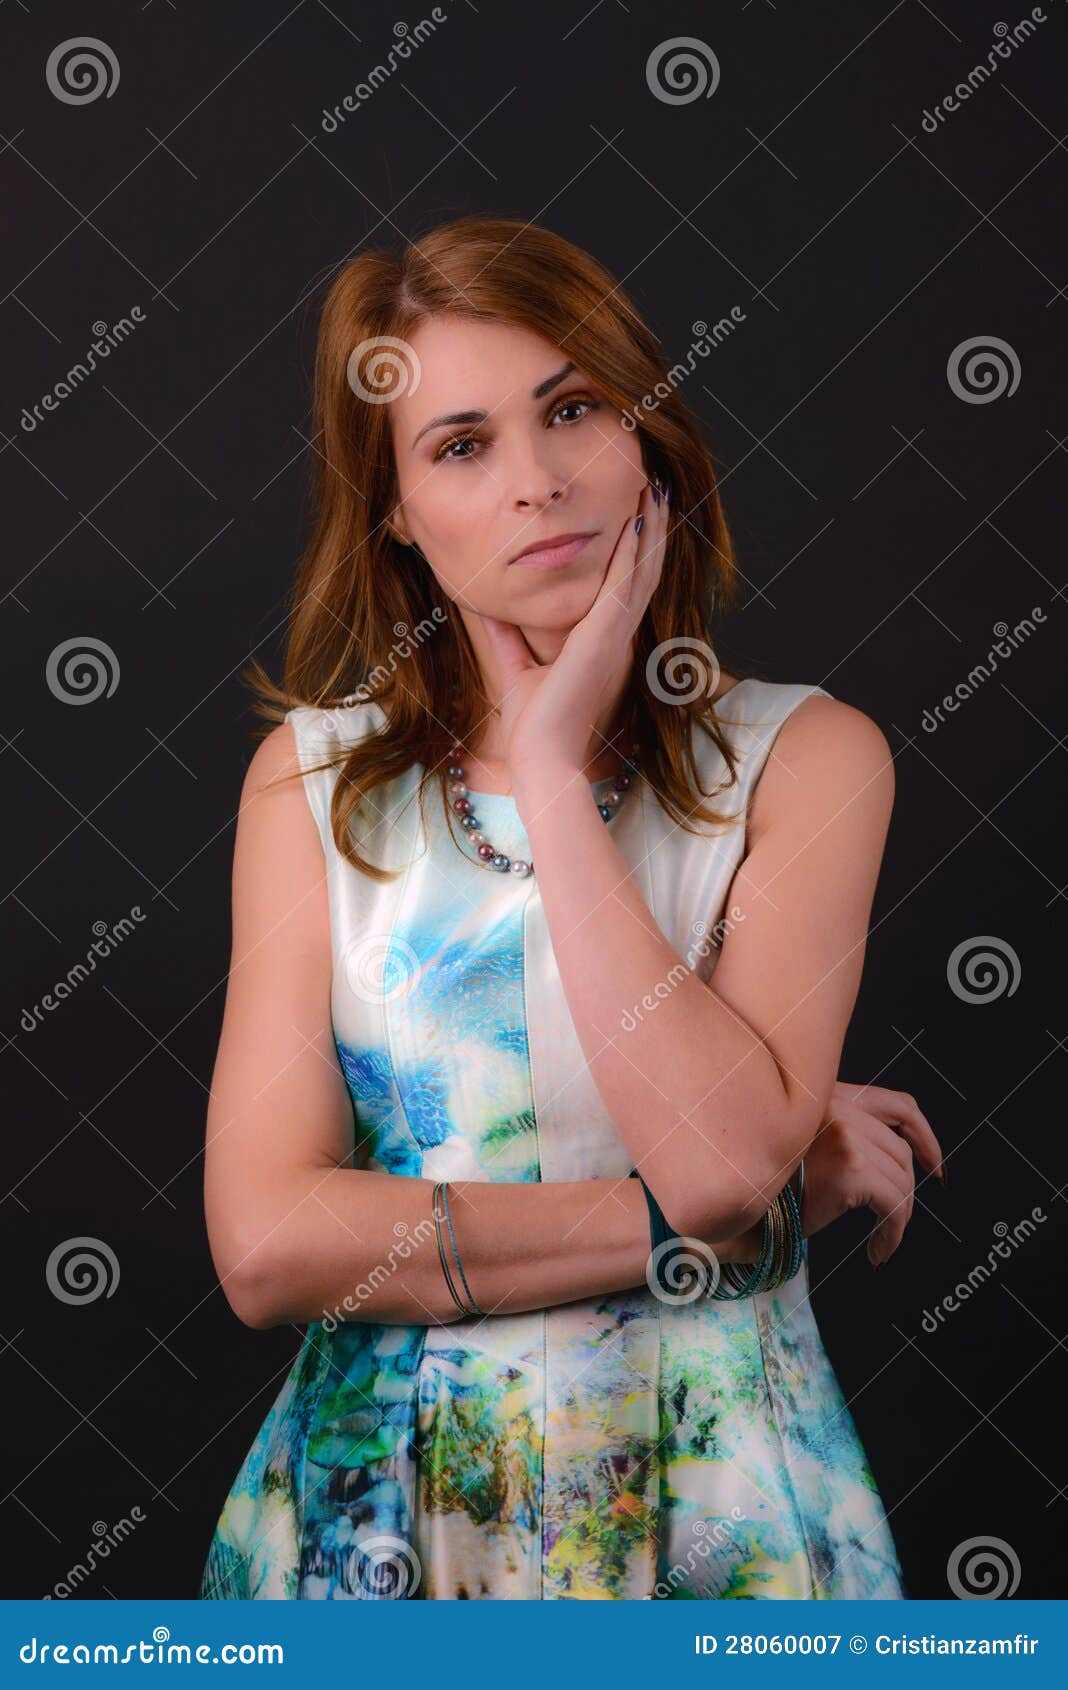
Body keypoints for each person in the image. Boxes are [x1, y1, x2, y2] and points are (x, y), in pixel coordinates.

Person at [197, 216, 943, 1601]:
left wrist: (546, 770)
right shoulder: (303, 785)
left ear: (648, 442)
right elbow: (268, 1243)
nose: (537, 482)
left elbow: (718, 1156)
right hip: (379, 1525)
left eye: (575, 409)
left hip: (716, 1519)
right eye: (462, 445)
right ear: (399, 518)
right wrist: (722, 1222)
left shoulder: (810, 757)